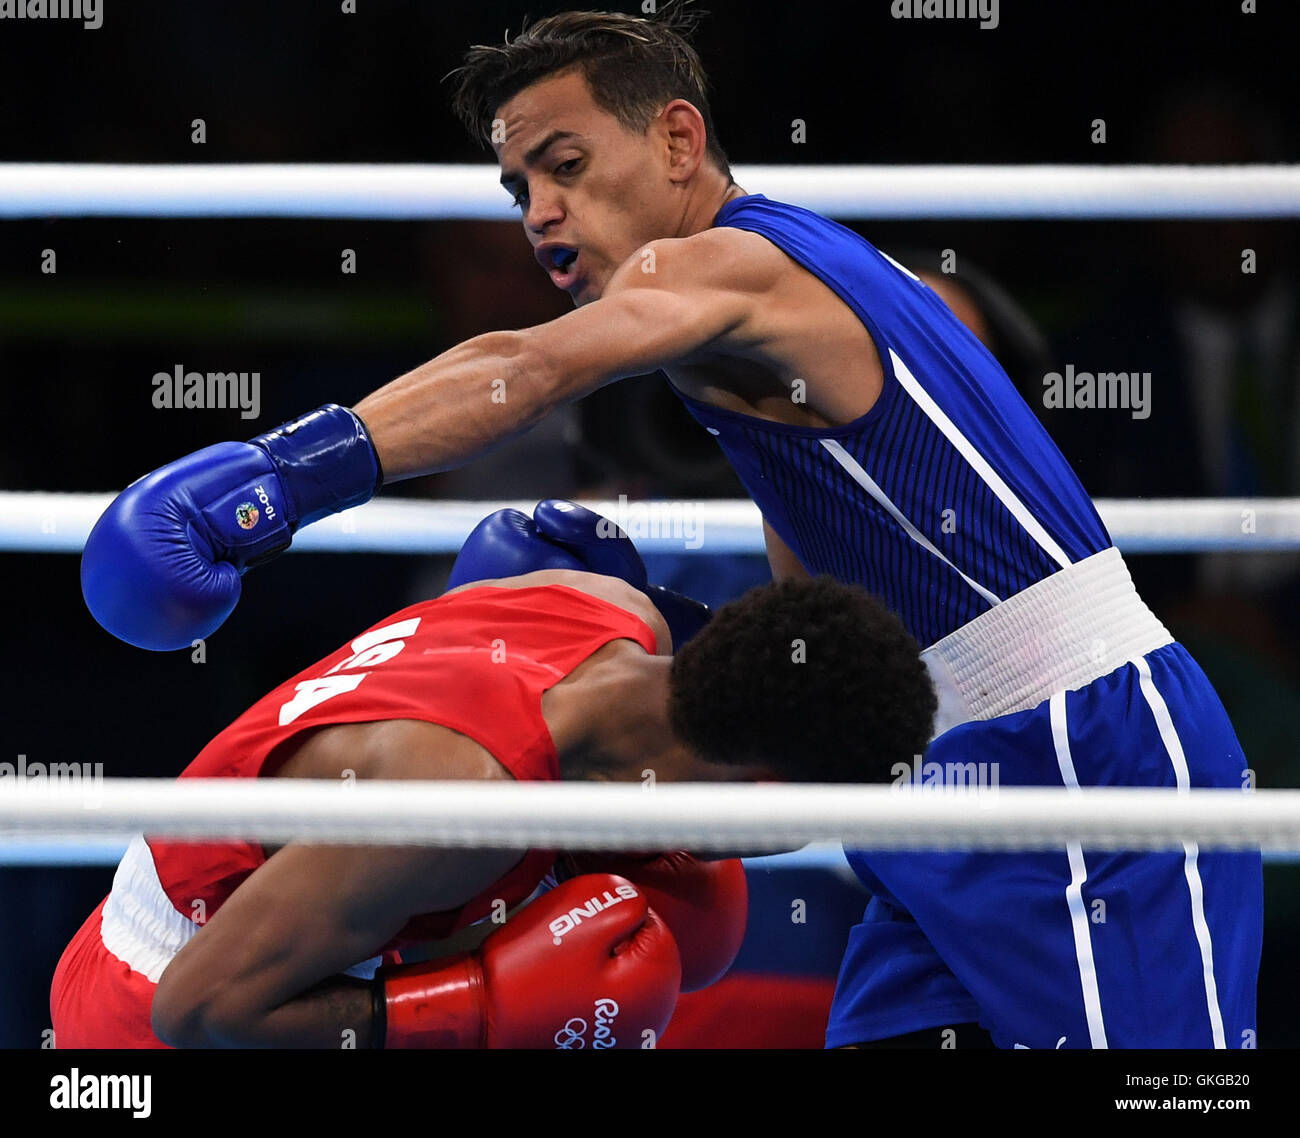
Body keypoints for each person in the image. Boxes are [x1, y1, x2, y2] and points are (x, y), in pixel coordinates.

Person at [77, 4, 1260, 1048]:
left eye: (566, 165)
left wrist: (281, 479)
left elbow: (526, 368)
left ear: (679, 141)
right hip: (933, 762)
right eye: (518, 189)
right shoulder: (737, 339)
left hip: (1078, 745)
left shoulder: (736, 268)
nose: (540, 215)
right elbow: (829, 597)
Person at [55, 500, 937, 1048]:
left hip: (305, 922)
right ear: (766, 789)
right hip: (159, 1008)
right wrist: (472, 1009)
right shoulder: (461, 800)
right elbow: (198, 1012)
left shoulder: (606, 607)